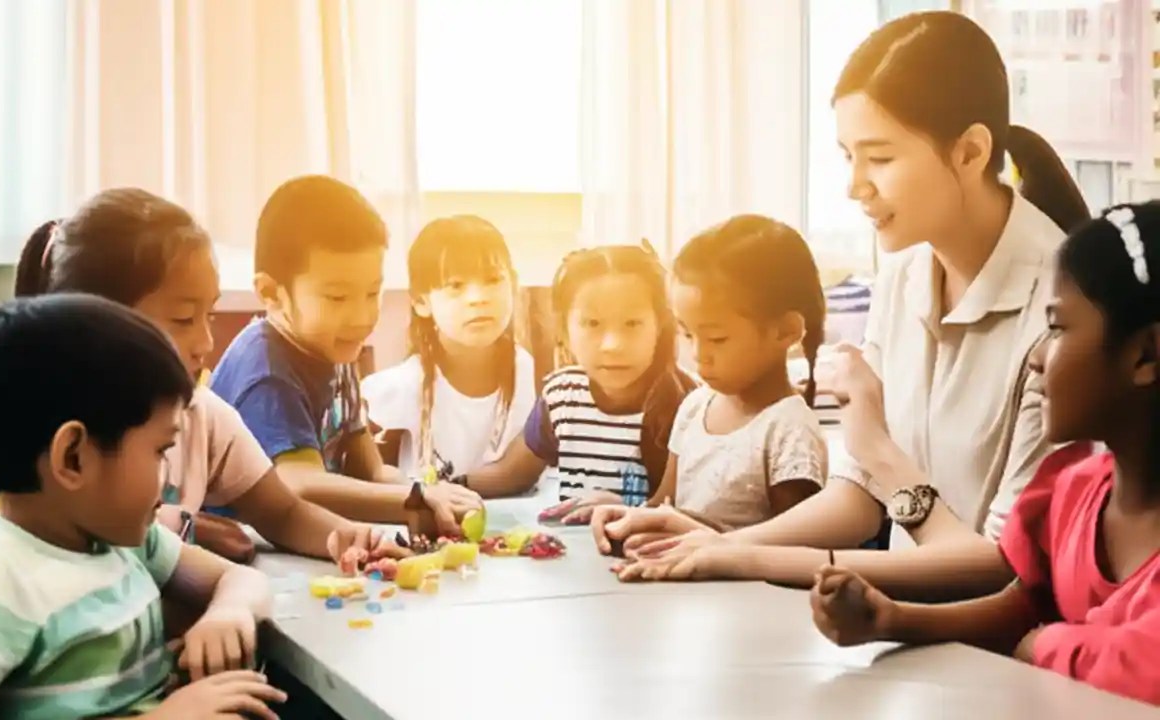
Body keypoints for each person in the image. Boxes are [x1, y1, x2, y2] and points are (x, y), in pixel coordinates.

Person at [597, 11, 1092, 600]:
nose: (855, 185)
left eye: (879, 158)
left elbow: (1000, 567)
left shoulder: (1064, 311)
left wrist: (758, 553)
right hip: (910, 639)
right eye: (847, 156)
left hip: (1008, 658)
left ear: (970, 151)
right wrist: (719, 544)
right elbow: (858, 497)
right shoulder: (904, 273)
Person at [812, 202, 1160, 707]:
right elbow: (1024, 607)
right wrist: (893, 619)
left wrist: (1046, 644)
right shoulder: (1072, 493)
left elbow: (1142, 662)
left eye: (1058, 328)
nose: (1037, 356)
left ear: (1146, 355)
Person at [0, 192, 398, 568]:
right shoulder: (56, 436)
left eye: (208, 315)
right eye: (184, 319)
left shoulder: (200, 412)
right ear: (99, 315)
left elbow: (281, 511)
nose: (205, 342)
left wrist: (354, 538)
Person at [0, 295, 284, 719]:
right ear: (73, 457)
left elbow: (239, 580)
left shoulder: (122, 544)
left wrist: (227, 614)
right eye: (160, 450)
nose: (166, 476)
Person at [209, 176, 482, 536]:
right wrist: (413, 499)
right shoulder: (267, 371)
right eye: (337, 298)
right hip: (243, 548)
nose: (361, 317)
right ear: (271, 292)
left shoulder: (333, 347)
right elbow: (301, 483)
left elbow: (370, 471)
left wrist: (428, 491)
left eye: (372, 292)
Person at [465, 243, 696, 521]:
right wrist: (440, 488)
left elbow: (698, 511)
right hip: (572, 555)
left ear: (659, 325)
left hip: (649, 556)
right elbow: (511, 474)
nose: (612, 345)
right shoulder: (563, 394)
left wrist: (626, 510)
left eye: (632, 324)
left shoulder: (690, 405)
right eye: (592, 324)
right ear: (564, 330)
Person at [628, 216, 828, 531]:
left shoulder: (789, 430)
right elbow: (663, 507)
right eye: (688, 334)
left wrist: (695, 533)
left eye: (717, 339)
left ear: (786, 331)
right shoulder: (695, 406)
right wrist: (623, 515)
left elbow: (791, 547)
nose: (698, 355)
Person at [362, 215, 536, 479]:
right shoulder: (404, 385)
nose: (478, 299)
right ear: (422, 302)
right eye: (456, 286)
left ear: (513, 286)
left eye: (492, 280)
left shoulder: (524, 367)